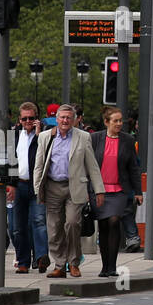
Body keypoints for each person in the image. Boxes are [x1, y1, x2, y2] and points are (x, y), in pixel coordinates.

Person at [33, 104, 104, 278]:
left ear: (74, 120)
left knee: (72, 223)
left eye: (68, 118)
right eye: (62, 117)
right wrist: (38, 190)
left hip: (75, 187)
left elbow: (92, 166)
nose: (65, 121)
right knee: (54, 228)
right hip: (52, 187)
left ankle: (73, 262)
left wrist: (99, 190)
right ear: (56, 119)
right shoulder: (44, 137)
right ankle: (59, 264)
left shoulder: (83, 137)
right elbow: (39, 165)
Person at [90, 109, 142, 277]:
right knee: (104, 226)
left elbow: (133, 168)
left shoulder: (128, 140)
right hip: (99, 191)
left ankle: (112, 266)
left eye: (121, 121)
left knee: (113, 221)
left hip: (119, 190)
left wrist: (138, 191)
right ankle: (105, 267)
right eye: (116, 121)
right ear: (106, 122)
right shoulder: (95, 138)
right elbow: (88, 163)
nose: (119, 124)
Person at [8, 102, 49, 273]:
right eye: (24, 118)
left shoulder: (44, 135)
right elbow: (10, 160)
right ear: (19, 119)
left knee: (39, 222)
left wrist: (38, 135)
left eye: (31, 118)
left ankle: (40, 258)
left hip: (36, 185)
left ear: (37, 119)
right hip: (19, 184)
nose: (28, 121)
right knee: (17, 227)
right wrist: (10, 183)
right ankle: (23, 261)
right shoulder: (15, 135)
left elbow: (44, 156)